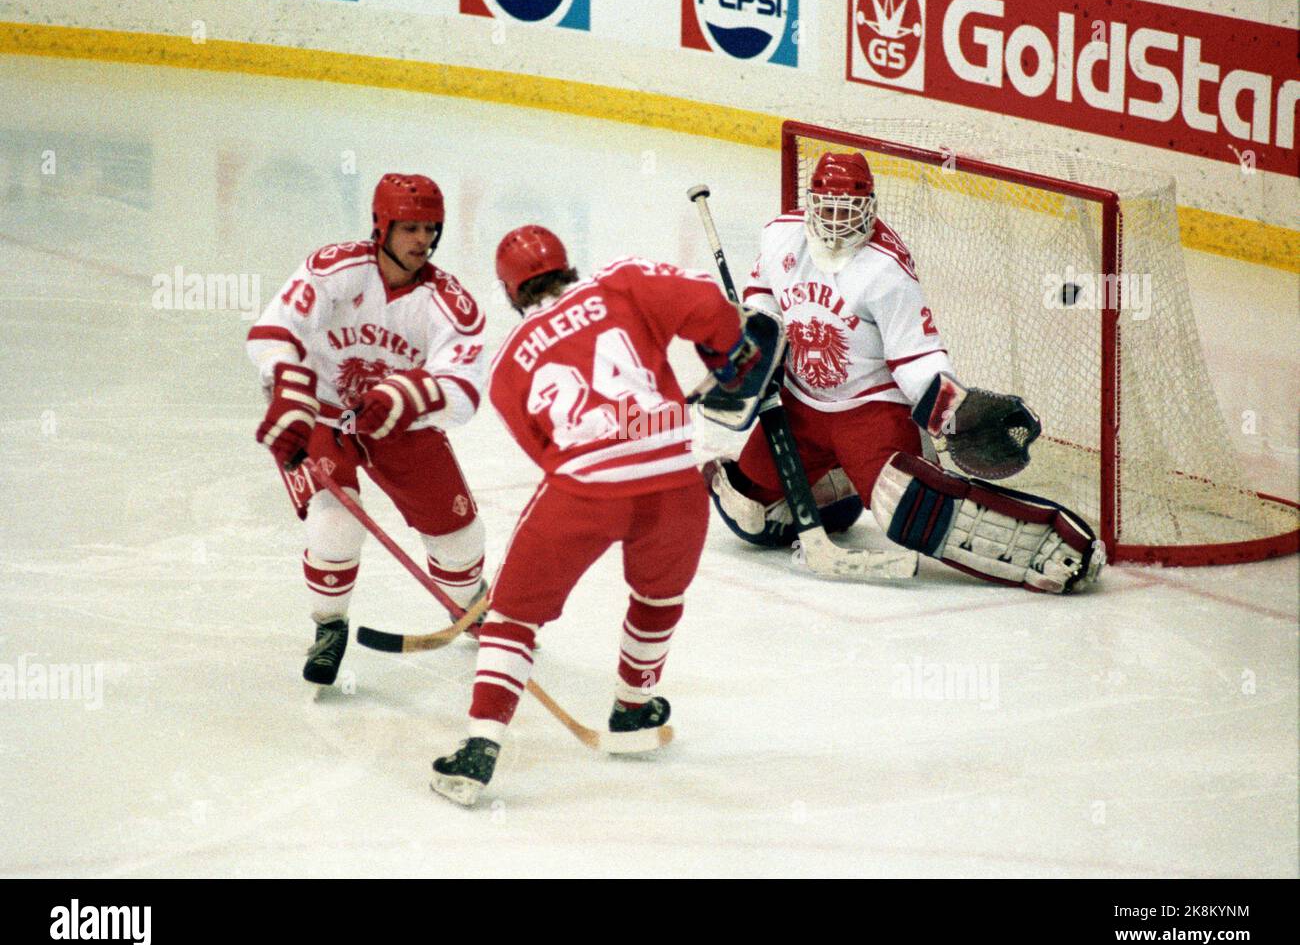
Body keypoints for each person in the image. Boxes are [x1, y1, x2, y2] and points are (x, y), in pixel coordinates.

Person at [430, 226, 763, 805]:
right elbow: (710, 306)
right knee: (657, 597)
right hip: (672, 477)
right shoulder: (622, 284)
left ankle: (480, 747)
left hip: (585, 487)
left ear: (511, 294)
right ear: (568, 266)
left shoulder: (507, 361)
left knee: (511, 615)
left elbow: (543, 449)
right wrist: (728, 348)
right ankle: (634, 706)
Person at [707, 152, 1103, 594]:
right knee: (749, 514)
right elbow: (763, 292)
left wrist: (954, 413)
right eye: (827, 208)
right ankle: (841, 488)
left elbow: (915, 355)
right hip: (800, 407)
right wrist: (760, 334)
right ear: (811, 203)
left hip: (870, 410)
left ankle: (1050, 543)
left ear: (869, 207)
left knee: (907, 504)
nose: (837, 221)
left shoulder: (886, 268)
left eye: (848, 209)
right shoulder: (781, 235)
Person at [247, 173, 488, 686]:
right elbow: (273, 331)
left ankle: (471, 608)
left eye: (430, 229)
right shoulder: (335, 270)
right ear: (382, 226)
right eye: (410, 229)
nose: (423, 240)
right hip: (324, 416)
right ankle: (330, 628)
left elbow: (465, 392)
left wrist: (408, 395)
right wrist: (288, 389)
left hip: (398, 423)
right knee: (337, 524)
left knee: (461, 540)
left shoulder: (448, 303)